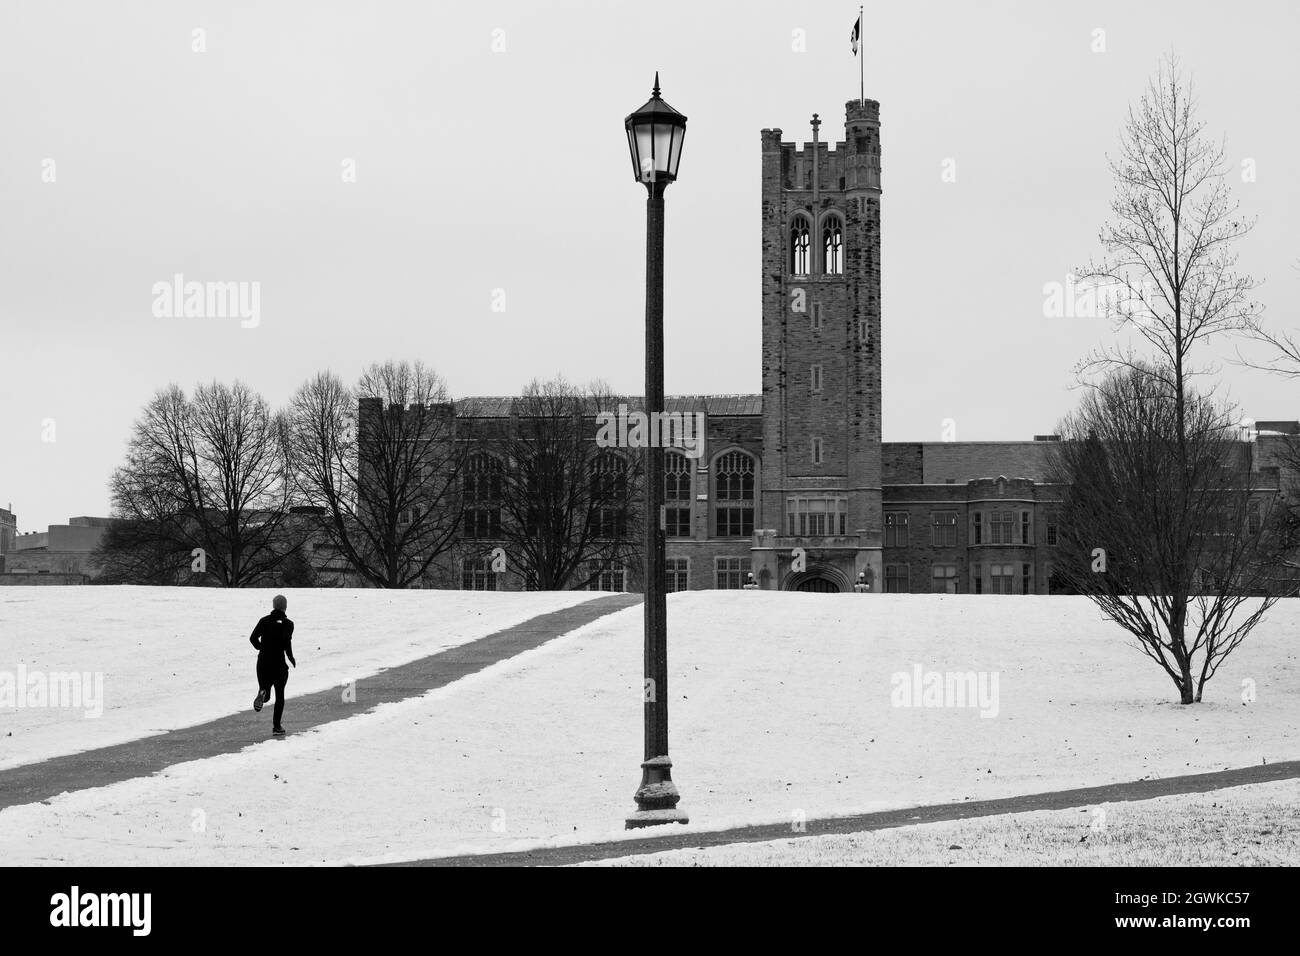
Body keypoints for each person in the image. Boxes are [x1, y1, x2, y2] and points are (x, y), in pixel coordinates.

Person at [249, 594, 296, 735]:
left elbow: (252, 638)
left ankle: (262, 692)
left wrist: (261, 648)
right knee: (279, 695)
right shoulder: (288, 624)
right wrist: (290, 657)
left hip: (263, 663)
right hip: (278, 664)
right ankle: (276, 727)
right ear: (285, 607)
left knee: (266, 691)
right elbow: (286, 641)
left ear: (274, 606)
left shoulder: (264, 621)